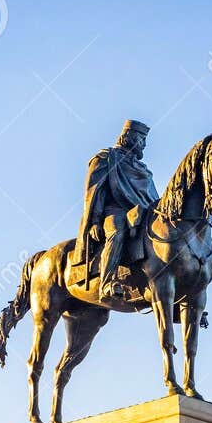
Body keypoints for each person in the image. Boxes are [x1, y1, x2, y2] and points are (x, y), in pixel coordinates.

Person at [74, 119, 159, 299]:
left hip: (141, 213)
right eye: (140, 139)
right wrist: (95, 221)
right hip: (113, 212)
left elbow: (151, 198)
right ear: (127, 137)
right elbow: (94, 192)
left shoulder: (142, 168)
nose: (143, 145)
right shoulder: (106, 157)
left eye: (145, 141)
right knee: (117, 230)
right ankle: (107, 283)